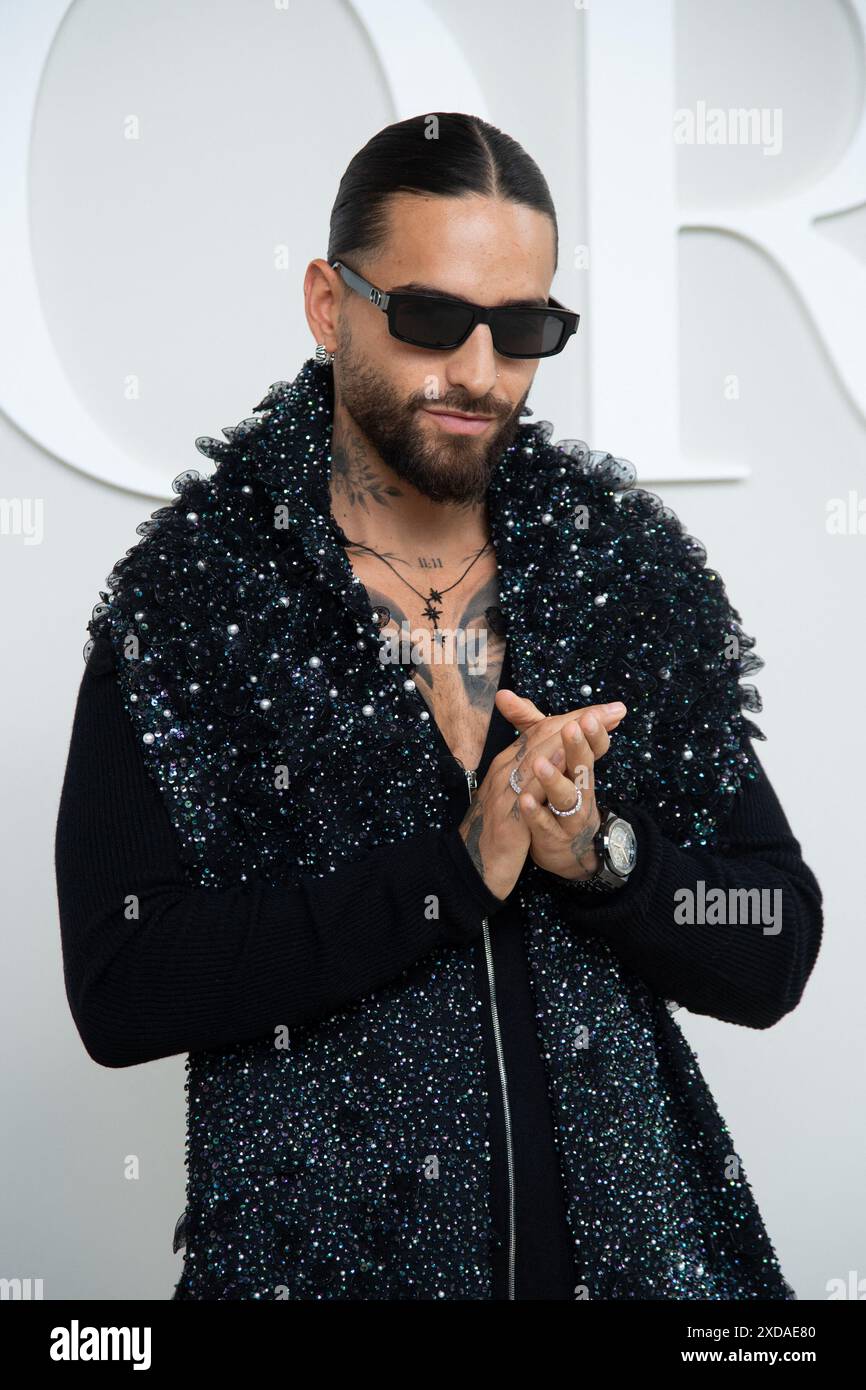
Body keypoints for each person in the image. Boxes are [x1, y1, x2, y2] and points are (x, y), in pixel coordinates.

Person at [55, 112, 822, 1301]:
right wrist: (445, 874)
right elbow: (122, 982)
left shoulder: (613, 572)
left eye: (520, 330)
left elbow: (771, 937)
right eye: (428, 318)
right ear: (327, 304)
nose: (475, 371)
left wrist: (603, 858)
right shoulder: (193, 604)